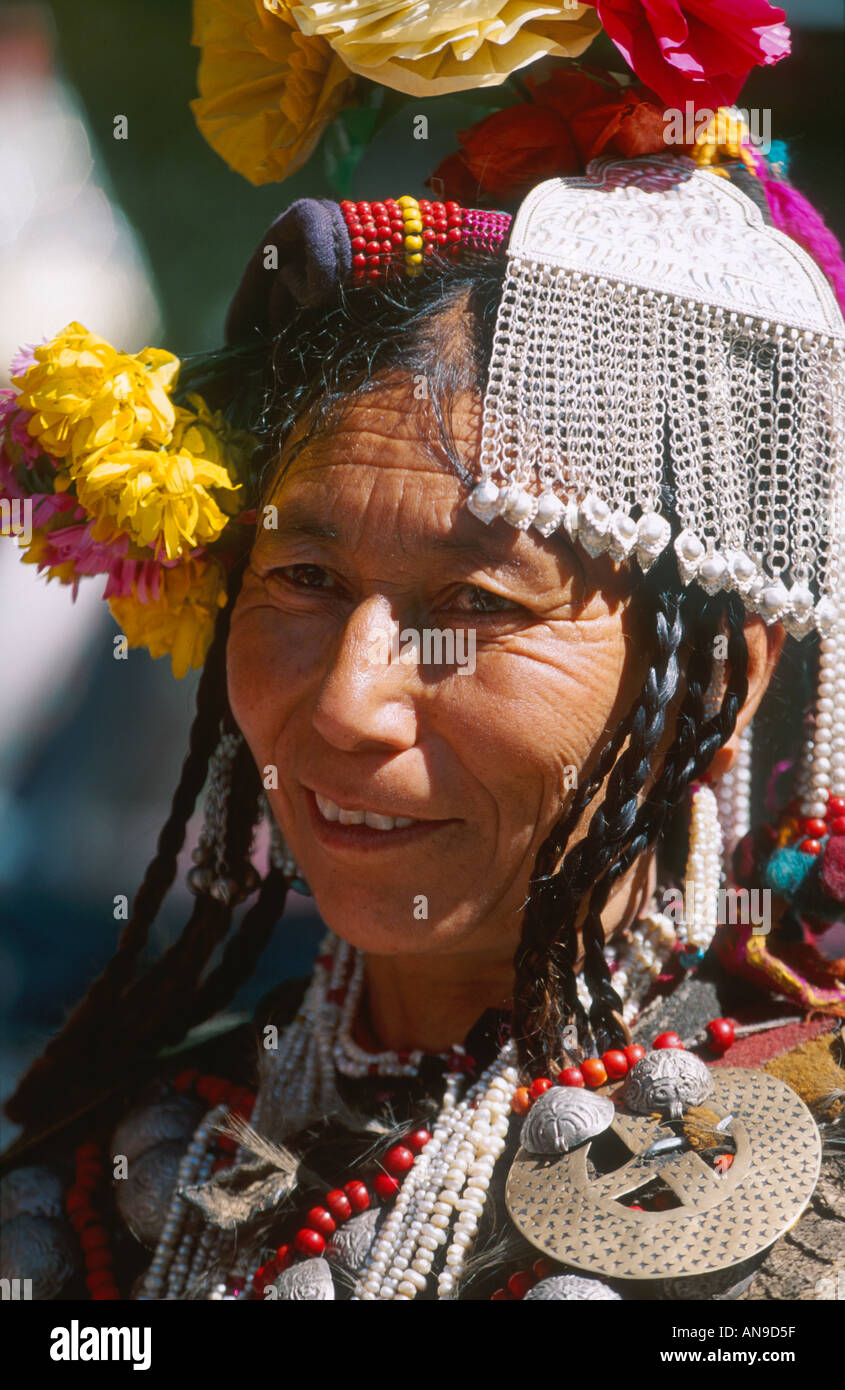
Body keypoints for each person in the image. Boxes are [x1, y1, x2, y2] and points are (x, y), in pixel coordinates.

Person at [1, 13, 843, 1305]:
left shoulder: (799, 1170)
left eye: (475, 604)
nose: (343, 703)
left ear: (718, 671)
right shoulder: (96, 1169)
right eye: (304, 578)